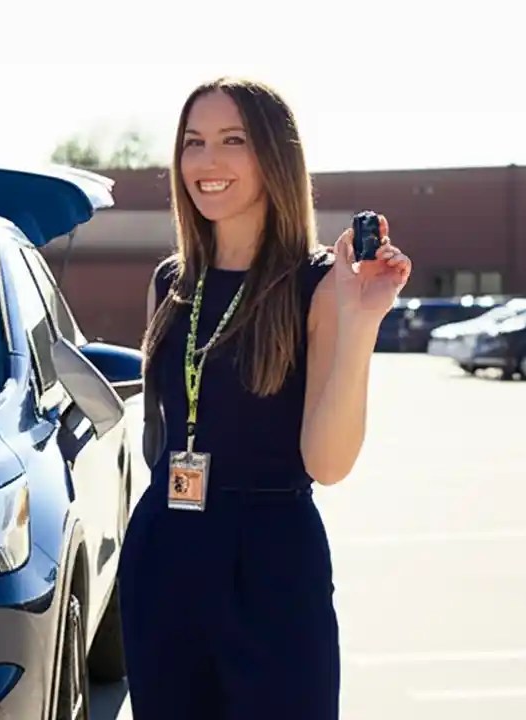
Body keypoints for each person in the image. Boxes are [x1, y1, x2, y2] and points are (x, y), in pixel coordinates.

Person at [115, 77, 412, 720]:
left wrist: (362, 322)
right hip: (165, 553)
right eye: (194, 142)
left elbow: (327, 463)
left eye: (232, 141)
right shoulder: (171, 281)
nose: (207, 162)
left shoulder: (319, 286)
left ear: (274, 156)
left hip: (272, 562)